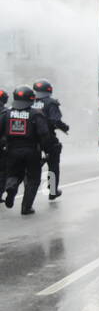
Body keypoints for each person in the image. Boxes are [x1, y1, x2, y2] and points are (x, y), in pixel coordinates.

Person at [3, 85, 58, 215]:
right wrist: (48, 150)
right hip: (31, 151)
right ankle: (26, 207)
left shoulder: (7, 113)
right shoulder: (36, 114)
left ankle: (11, 187)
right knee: (33, 179)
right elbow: (44, 134)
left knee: (14, 174)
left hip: (12, 151)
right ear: (31, 99)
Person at [30, 80, 69, 200]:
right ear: (49, 90)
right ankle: (52, 191)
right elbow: (55, 120)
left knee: (30, 165)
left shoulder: (30, 102)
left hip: (32, 139)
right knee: (53, 164)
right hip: (47, 137)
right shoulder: (51, 103)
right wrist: (65, 127)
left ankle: (29, 190)